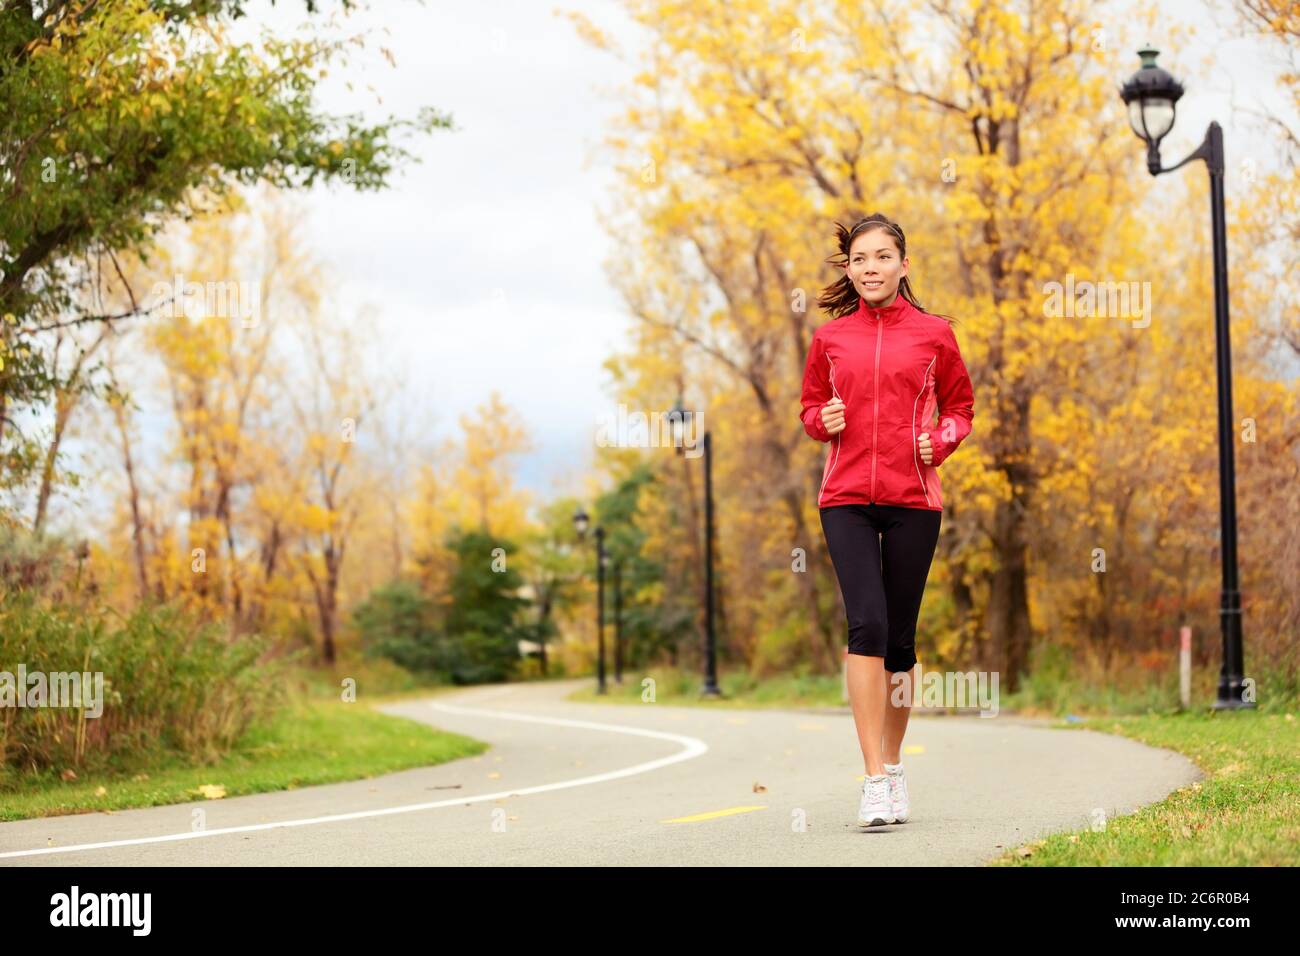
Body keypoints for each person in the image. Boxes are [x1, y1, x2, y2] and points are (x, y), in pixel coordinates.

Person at [799, 213, 975, 827]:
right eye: (859, 259)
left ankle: (895, 763)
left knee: (900, 641)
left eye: (881, 257)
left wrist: (941, 440)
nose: (869, 268)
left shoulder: (934, 335)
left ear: (902, 264)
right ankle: (873, 777)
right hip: (844, 495)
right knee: (866, 626)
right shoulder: (830, 339)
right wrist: (826, 422)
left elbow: (961, 407)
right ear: (848, 269)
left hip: (912, 498)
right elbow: (810, 409)